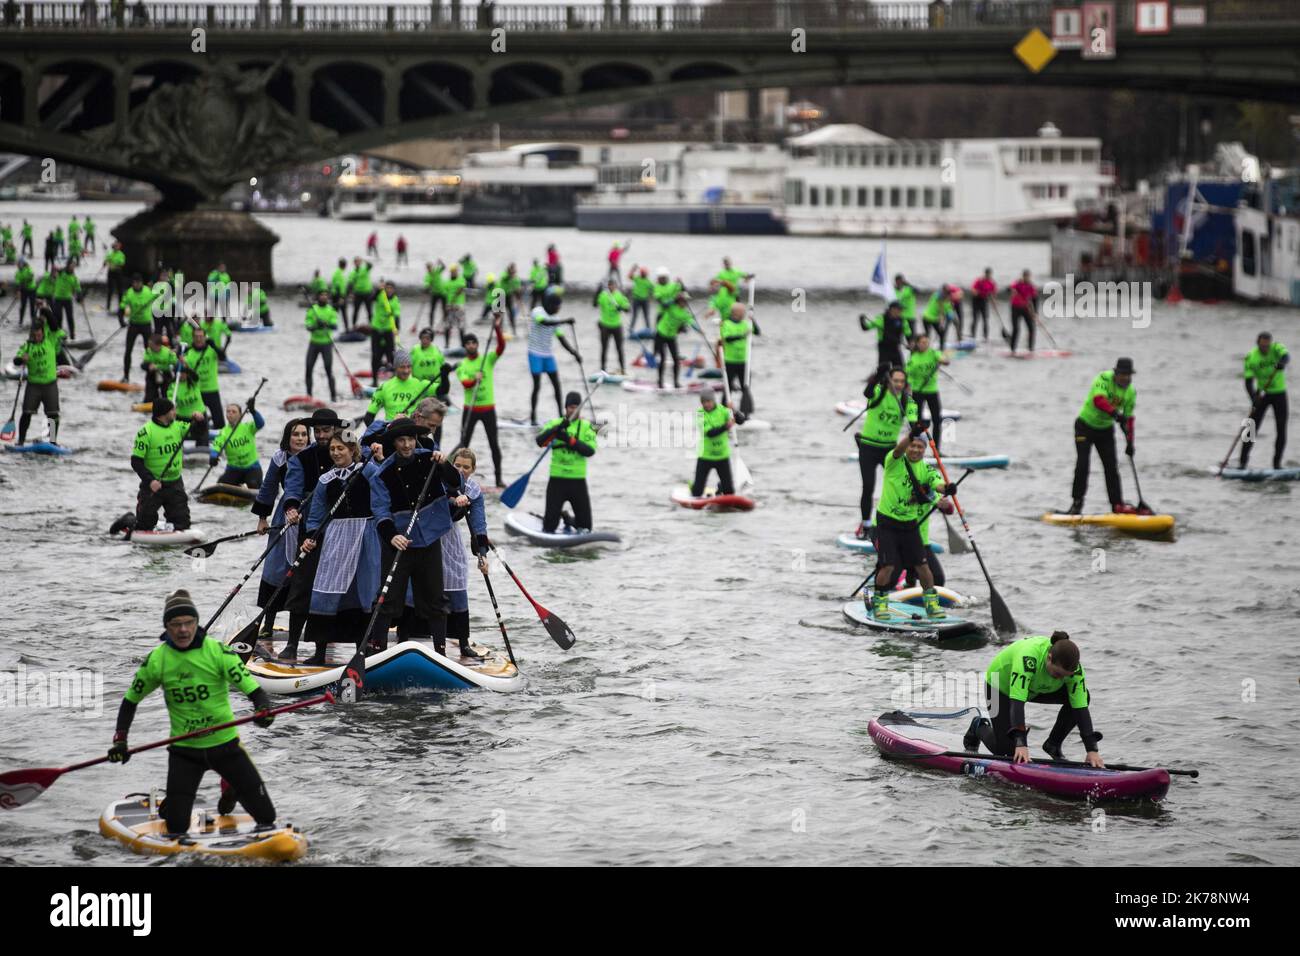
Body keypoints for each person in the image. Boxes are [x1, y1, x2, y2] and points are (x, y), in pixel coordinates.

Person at [108, 589, 278, 837]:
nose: (183, 630)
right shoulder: (157, 660)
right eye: (176, 624)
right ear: (167, 627)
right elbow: (130, 701)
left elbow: (254, 691)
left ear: (197, 623)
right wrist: (120, 740)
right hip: (185, 752)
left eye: (189, 622)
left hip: (226, 747)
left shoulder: (218, 652)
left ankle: (230, 786)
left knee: (267, 817)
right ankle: (174, 804)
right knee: (176, 827)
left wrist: (264, 711)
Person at [368, 420, 465, 652]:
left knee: (435, 600)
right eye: (401, 440)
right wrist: (392, 536)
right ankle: (376, 648)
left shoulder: (431, 459)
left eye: (410, 439)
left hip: (430, 540)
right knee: (387, 600)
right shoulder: (382, 475)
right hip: (399, 545)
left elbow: (456, 483)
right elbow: (380, 512)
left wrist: (446, 465)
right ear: (394, 443)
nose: (407, 444)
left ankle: (440, 650)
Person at [299, 429, 380, 665]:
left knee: (362, 591)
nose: (335, 453)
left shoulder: (368, 471)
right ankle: (320, 652)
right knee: (326, 589)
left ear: (352, 450)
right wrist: (311, 536)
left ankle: (363, 651)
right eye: (332, 449)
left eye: (340, 448)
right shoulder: (326, 480)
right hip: (336, 537)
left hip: (365, 535)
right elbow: (316, 515)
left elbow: (382, 499)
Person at [868, 423, 955, 621]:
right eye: (913, 446)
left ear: (925, 450)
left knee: (922, 566)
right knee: (888, 566)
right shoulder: (894, 460)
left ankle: (931, 604)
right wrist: (911, 435)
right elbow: (898, 449)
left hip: (909, 524)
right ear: (908, 446)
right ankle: (880, 603)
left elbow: (937, 484)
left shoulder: (926, 469)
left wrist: (947, 488)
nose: (915, 450)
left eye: (920, 447)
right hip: (887, 522)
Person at [977, 631, 1104, 767]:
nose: (1060, 679)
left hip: (1036, 687)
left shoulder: (1076, 672)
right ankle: (978, 727)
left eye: (1065, 676)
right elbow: (1017, 703)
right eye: (1057, 674)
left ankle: (1053, 744)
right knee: (1007, 753)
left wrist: (1092, 750)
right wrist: (1021, 743)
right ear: (1049, 658)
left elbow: (1081, 709)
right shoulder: (1028, 658)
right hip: (999, 685)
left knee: (1084, 697)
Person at [252, 418, 311, 659]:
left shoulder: (317, 455)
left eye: (304, 434)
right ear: (288, 437)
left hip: (311, 515)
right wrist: (263, 518)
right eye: (295, 434)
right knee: (276, 570)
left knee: (308, 571)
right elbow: (268, 488)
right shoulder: (279, 458)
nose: (300, 438)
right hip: (284, 517)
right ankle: (268, 624)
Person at [855, 365, 918, 539]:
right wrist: (877, 375)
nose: (898, 384)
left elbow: (914, 424)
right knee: (868, 487)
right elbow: (867, 393)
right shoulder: (879, 391)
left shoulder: (908, 401)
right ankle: (867, 527)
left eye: (901, 382)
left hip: (889, 450)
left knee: (900, 486)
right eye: (895, 380)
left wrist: (918, 428)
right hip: (868, 447)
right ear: (889, 380)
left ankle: (900, 523)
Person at [1069, 357, 1137, 515]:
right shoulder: (1103, 379)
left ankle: (1117, 505)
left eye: (1128, 375)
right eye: (1122, 374)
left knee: (1111, 468)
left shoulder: (1131, 392)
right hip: (1084, 427)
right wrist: (1115, 414)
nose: (1125, 378)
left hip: (1105, 431)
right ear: (1116, 373)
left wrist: (1130, 442)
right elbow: (1099, 400)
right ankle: (1077, 504)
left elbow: (1129, 419)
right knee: (1083, 465)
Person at [441, 446, 491, 658]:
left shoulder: (473, 490)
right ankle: (408, 635)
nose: (461, 470)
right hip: (427, 533)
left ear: (473, 469)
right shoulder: (439, 481)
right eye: (457, 465)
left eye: (466, 467)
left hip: (450, 536)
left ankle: (463, 643)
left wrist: (482, 554)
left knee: (458, 581)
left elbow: (479, 524)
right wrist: (453, 500)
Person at [536, 391, 598, 531]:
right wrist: (556, 429)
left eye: (576, 407)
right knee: (549, 526)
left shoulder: (586, 427)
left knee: (586, 527)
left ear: (580, 408)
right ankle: (554, 516)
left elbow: (589, 451)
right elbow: (540, 442)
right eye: (570, 407)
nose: (573, 410)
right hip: (557, 480)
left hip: (577, 481)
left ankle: (568, 519)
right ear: (565, 408)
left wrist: (568, 439)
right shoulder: (555, 423)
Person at [458, 321, 507, 489]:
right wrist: (474, 380)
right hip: (470, 409)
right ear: (465, 346)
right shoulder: (463, 365)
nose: (471, 346)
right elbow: (465, 383)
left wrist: (497, 328)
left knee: (494, 443)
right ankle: (458, 479)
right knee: (463, 445)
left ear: (478, 345)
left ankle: (499, 479)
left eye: (474, 343)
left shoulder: (487, 359)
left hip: (488, 409)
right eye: (468, 343)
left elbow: (501, 346)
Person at [131, 398, 192, 531]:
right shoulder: (146, 432)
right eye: (173, 410)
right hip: (154, 485)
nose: (175, 412)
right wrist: (150, 480)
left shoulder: (177, 426)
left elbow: (197, 431)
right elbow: (136, 462)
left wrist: (199, 420)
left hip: (175, 483)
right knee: (145, 524)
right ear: (164, 413)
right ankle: (131, 522)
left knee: (183, 523)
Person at [527, 287, 579, 424]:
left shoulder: (555, 318)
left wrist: (575, 353)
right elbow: (544, 322)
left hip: (548, 355)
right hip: (535, 354)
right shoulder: (537, 312)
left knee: (557, 385)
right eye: (558, 306)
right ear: (551, 305)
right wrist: (565, 321)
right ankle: (532, 417)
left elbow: (562, 339)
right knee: (537, 386)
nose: (559, 309)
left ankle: (562, 415)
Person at [1241, 331, 1289, 470]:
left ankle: (1277, 464)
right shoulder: (1251, 357)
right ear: (1258, 344)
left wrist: (1282, 363)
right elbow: (1248, 382)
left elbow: (1286, 356)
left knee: (1281, 428)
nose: (1265, 348)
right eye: (1263, 346)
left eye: (1267, 345)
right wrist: (1253, 398)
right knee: (1250, 427)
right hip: (1262, 394)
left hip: (1279, 394)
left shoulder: (1276, 348)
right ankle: (1242, 463)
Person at [13, 319, 64, 446]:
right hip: (33, 385)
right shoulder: (27, 346)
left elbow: (53, 323)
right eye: (34, 335)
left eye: (39, 335)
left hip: (50, 384)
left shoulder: (50, 340)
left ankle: (52, 441)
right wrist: (21, 359)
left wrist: (45, 309)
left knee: (53, 415)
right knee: (26, 413)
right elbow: (16, 360)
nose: (37, 337)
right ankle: (21, 441)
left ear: (43, 333)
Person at [690, 386, 744, 497]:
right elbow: (710, 434)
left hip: (722, 457)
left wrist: (734, 411)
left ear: (713, 400)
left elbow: (740, 420)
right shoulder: (700, 414)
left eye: (708, 401)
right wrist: (726, 426)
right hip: (705, 457)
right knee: (697, 493)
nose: (706, 404)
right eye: (704, 402)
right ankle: (694, 486)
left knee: (729, 492)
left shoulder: (723, 411)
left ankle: (721, 488)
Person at [364, 350, 433, 426]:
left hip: (413, 430)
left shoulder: (420, 384)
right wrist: (378, 435)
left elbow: (442, 390)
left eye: (408, 367)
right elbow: (368, 418)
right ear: (395, 367)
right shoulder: (384, 388)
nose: (406, 371)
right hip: (393, 430)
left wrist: (444, 375)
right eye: (402, 367)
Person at [905, 332, 949, 450]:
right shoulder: (913, 358)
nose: (925, 345)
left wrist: (943, 360)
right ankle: (915, 447)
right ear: (917, 344)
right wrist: (908, 387)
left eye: (926, 342)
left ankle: (937, 450)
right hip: (918, 392)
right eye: (922, 343)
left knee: (937, 420)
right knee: (916, 422)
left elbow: (945, 360)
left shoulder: (934, 353)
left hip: (932, 392)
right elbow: (907, 375)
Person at [210, 401, 266, 489]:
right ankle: (238, 487)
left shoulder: (248, 427)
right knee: (221, 484)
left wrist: (253, 411)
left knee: (253, 484)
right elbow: (217, 446)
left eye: (234, 411)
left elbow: (261, 424)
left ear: (240, 415)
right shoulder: (223, 432)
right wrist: (213, 456)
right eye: (228, 411)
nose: (230, 414)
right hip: (234, 469)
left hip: (252, 467)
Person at [181, 327, 224, 431]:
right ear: (192, 338)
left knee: (220, 422)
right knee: (197, 421)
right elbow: (182, 373)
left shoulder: (211, 350)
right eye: (196, 337)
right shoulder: (188, 353)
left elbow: (223, 357)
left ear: (205, 337)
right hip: (197, 392)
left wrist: (214, 346)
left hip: (212, 390)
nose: (198, 339)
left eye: (201, 336)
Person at [120, 273, 159, 382]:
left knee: (149, 351)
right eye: (134, 283)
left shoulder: (148, 292)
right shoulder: (129, 293)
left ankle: (151, 376)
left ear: (141, 283)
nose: (136, 285)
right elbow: (121, 308)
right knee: (128, 350)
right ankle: (126, 376)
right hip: (133, 324)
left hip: (146, 325)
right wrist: (121, 321)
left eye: (138, 283)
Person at [717, 302, 757, 410]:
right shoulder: (726, 324)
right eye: (742, 312)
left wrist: (753, 321)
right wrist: (742, 335)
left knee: (746, 387)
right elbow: (728, 339)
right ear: (736, 313)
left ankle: (746, 412)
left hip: (743, 361)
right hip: (730, 361)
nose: (744, 313)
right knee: (728, 388)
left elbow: (757, 332)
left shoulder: (745, 324)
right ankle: (723, 411)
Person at [304, 288, 339, 400]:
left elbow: (335, 326)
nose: (324, 297)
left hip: (326, 344)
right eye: (321, 295)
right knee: (308, 369)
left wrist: (326, 324)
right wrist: (316, 326)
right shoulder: (312, 310)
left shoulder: (331, 310)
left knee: (328, 370)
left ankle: (333, 397)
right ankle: (309, 396)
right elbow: (308, 327)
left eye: (325, 295)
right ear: (318, 297)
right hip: (314, 344)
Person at [655, 289, 693, 390]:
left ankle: (676, 382)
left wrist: (699, 330)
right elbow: (663, 305)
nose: (685, 303)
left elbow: (691, 322)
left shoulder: (685, 313)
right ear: (679, 301)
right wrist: (674, 299)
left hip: (671, 337)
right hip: (661, 334)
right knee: (662, 358)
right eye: (683, 301)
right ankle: (660, 382)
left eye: (686, 301)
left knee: (676, 359)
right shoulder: (671, 307)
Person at [593, 277, 630, 374]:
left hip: (616, 326)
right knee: (604, 348)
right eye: (610, 285)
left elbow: (628, 309)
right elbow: (594, 304)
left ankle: (623, 369)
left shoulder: (620, 296)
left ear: (616, 286)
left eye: (613, 285)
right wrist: (597, 291)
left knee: (619, 348)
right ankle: (602, 370)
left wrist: (620, 308)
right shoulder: (603, 295)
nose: (611, 287)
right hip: (605, 325)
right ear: (608, 286)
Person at [861, 300, 906, 372]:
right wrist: (862, 321)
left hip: (895, 348)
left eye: (901, 310)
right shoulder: (881, 319)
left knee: (900, 369)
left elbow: (908, 334)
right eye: (899, 309)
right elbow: (866, 328)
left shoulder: (902, 320)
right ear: (892, 309)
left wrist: (911, 344)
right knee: (883, 369)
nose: (901, 311)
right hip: (884, 348)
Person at [370, 280, 400, 381]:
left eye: (391, 288)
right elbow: (370, 298)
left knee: (391, 356)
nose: (389, 290)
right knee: (375, 356)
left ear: (394, 290)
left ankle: (395, 379)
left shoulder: (395, 300)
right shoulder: (380, 295)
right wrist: (377, 290)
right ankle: (374, 381)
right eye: (387, 288)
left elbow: (397, 316)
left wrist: (397, 329)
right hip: (376, 330)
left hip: (388, 331)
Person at [410, 327, 448, 401]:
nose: (425, 340)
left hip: (434, 385)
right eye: (423, 338)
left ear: (431, 340)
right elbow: (409, 366)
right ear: (420, 338)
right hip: (419, 385)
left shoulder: (437, 350)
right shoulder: (415, 350)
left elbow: (443, 366)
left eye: (427, 338)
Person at [140, 332, 178, 405]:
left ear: (158, 345)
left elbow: (174, 365)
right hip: (152, 375)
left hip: (165, 375)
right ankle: (150, 400)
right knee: (150, 395)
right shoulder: (148, 351)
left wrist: (158, 367)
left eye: (151, 345)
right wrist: (148, 366)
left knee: (166, 394)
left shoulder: (168, 353)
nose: (149, 346)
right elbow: (143, 365)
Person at [1009, 269, 1038, 353]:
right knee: (1016, 329)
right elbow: (1010, 288)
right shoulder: (1017, 284)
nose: (1027, 278)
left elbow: (1035, 299)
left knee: (1031, 328)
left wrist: (1035, 312)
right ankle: (1013, 349)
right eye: (1026, 276)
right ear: (1023, 276)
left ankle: (1030, 349)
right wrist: (1013, 291)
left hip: (1025, 309)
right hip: (1015, 308)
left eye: (1028, 276)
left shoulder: (1031, 286)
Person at [920, 285, 956, 351]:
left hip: (934, 320)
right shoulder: (936, 296)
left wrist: (950, 315)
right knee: (927, 335)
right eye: (945, 294)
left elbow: (949, 314)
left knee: (941, 334)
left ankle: (941, 350)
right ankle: (925, 350)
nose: (946, 296)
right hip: (927, 318)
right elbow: (939, 295)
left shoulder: (947, 303)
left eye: (948, 295)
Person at [52, 260, 81, 339]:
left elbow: (78, 288)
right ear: (68, 266)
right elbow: (54, 268)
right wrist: (59, 269)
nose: (72, 268)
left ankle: (72, 335)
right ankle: (59, 335)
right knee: (59, 317)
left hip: (68, 300)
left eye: (73, 266)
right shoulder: (61, 273)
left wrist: (80, 297)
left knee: (70, 318)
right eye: (71, 266)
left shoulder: (74, 278)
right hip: (58, 298)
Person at [441, 263, 467, 347]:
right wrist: (446, 307)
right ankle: (446, 345)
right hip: (449, 307)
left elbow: (461, 289)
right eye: (452, 271)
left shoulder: (461, 279)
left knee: (461, 326)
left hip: (459, 306)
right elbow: (445, 295)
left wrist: (454, 298)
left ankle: (463, 345)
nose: (453, 273)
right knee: (447, 326)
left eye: (455, 271)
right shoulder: (447, 282)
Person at [348, 256, 375, 328]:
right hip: (358, 294)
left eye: (359, 261)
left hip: (367, 293)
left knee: (369, 311)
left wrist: (364, 260)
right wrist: (350, 293)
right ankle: (354, 325)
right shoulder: (352, 273)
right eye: (356, 261)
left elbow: (370, 265)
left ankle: (372, 325)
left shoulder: (364, 269)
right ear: (354, 263)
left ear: (360, 262)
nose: (357, 263)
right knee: (356, 311)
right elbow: (350, 284)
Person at [971, 268, 996, 341]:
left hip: (984, 301)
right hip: (976, 300)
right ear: (985, 274)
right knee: (975, 318)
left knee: (985, 319)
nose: (989, 276)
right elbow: (973, 289)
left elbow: (992, 294)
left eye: (990, 274)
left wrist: (993, 303)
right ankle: (973, 336)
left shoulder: (991, 283)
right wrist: (976, 292)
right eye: (988, 274)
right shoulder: (979, 280)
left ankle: (985, 337)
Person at [104, 241, 127, 313]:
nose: (115, 247)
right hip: (110, 273)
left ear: (119, 247)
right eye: (114, 246)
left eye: (117, 246)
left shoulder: (121, 254)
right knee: (110, 290)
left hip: (118, 273)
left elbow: (122, 262)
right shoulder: (110, 254)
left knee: (120, 290)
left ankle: (121, 307)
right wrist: (105, 262)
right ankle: (108, 306)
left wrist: (113, 261)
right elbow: (106, 260)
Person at [628, 265, 652, 332]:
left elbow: (653, 290)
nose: (643, 274)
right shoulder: (637, 278)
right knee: (634, 315)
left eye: (644, 273)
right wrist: (633, 269)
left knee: (646, 316)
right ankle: (631, 329)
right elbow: (629, 276)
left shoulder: (648, 282)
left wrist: (650, 297)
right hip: (636, 299)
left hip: (645, 300)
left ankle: (648, 329)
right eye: (642, 273)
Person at [893, 274, 917, 339]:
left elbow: (917, 291)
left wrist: (908, 284)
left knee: (911, 339)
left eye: (901, 281)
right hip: (899, 318)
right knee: (897, 338)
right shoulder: (893, 291)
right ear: (895, 281)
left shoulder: (908, 289)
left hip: (910, 317)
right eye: (898, 281)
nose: (899, 283)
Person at [14, 257, 36, 327]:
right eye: (17, 264)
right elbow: (17, 283)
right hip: (24, 290)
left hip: (31, 289)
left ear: (22, 264)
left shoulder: (28, 268)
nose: (18, 266)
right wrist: (18, 291)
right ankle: (20, 321)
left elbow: (31, 276)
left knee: (32, 305)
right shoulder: (17, 273)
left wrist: (24, 282)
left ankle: (33, 320)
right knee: (23, 305)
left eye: (19, 264)